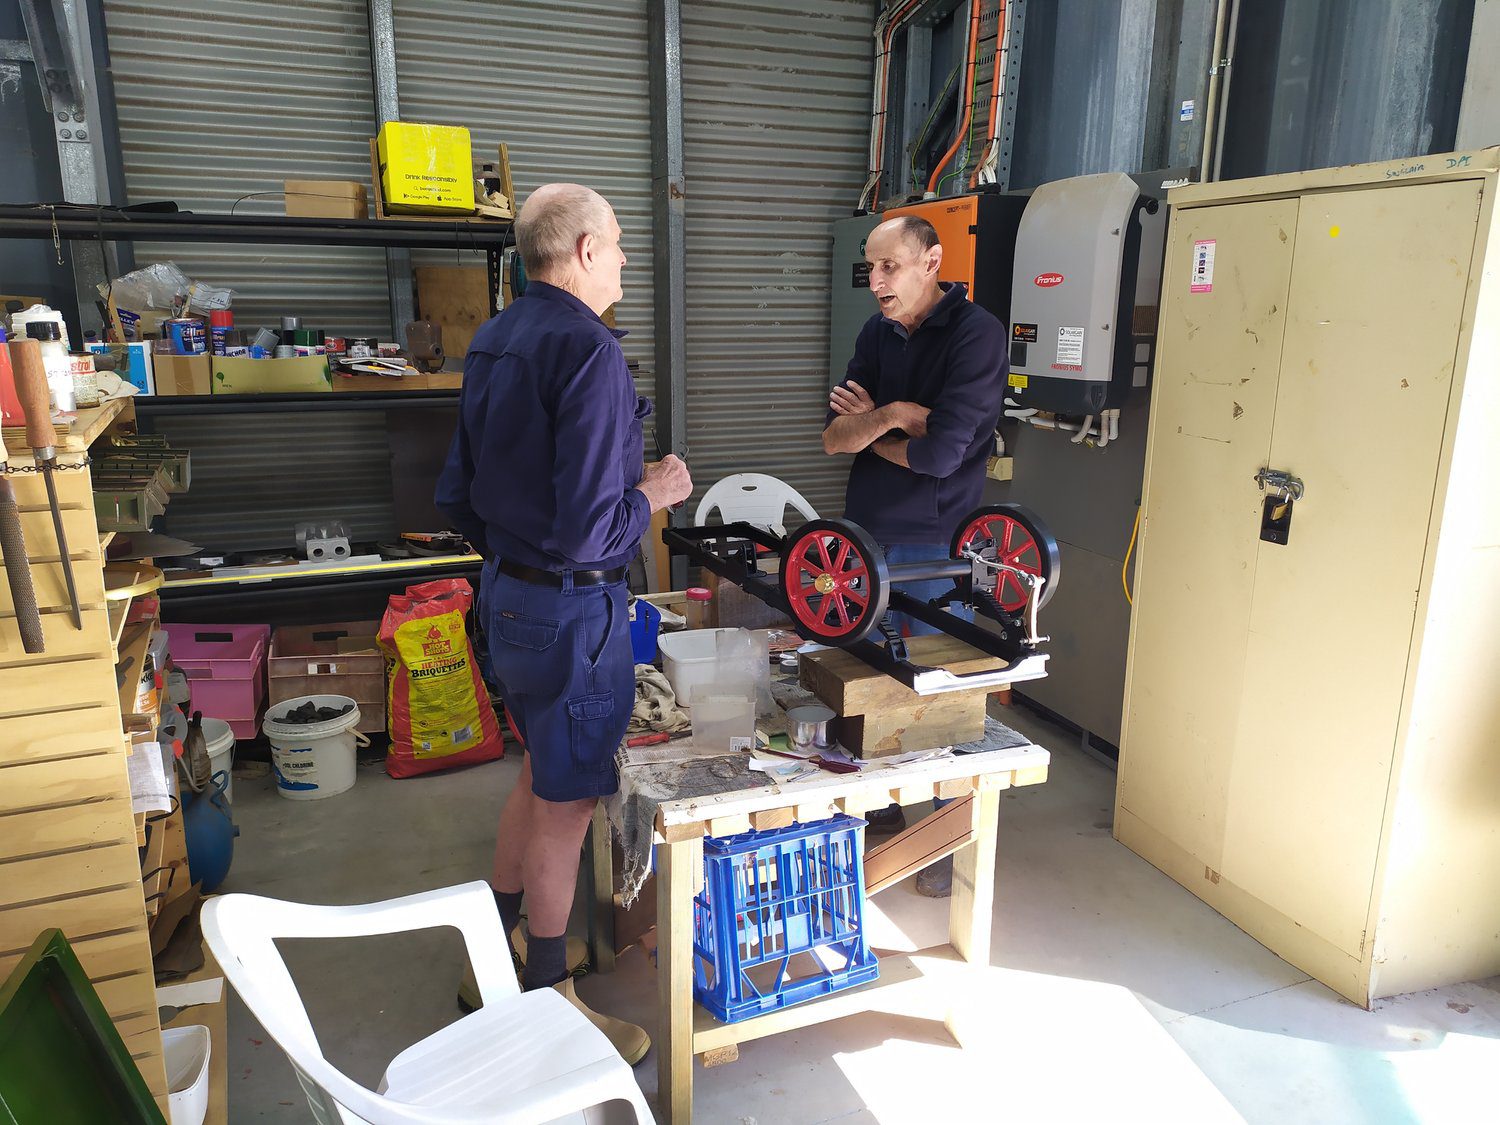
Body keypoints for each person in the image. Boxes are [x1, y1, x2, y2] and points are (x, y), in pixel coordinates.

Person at [435, 183, 692, 1062]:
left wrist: (518, 562)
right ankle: (551, 1006)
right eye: (617, 244)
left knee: (538, 777)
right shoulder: (589, 352)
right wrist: (651, 494)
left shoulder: (495, 337)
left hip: (505, 597)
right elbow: (594, 526)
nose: (623, 258)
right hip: (571, 610)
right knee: (569, 805)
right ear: (582, 249)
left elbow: (457, 494)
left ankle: (492, 957)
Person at [823, 213, 1008, 895]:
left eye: (888, 267)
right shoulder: (877, 332)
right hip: (864, 534)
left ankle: (939, 839)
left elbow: (940, 455)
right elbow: (833, 437)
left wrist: (883, 419)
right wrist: (898, 413)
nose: (875, 282)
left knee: (932, 693)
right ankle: (883, 804)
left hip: (936, 539)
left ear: (931, 260)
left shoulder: (976, 336)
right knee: (868, 677)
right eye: (869, 269)